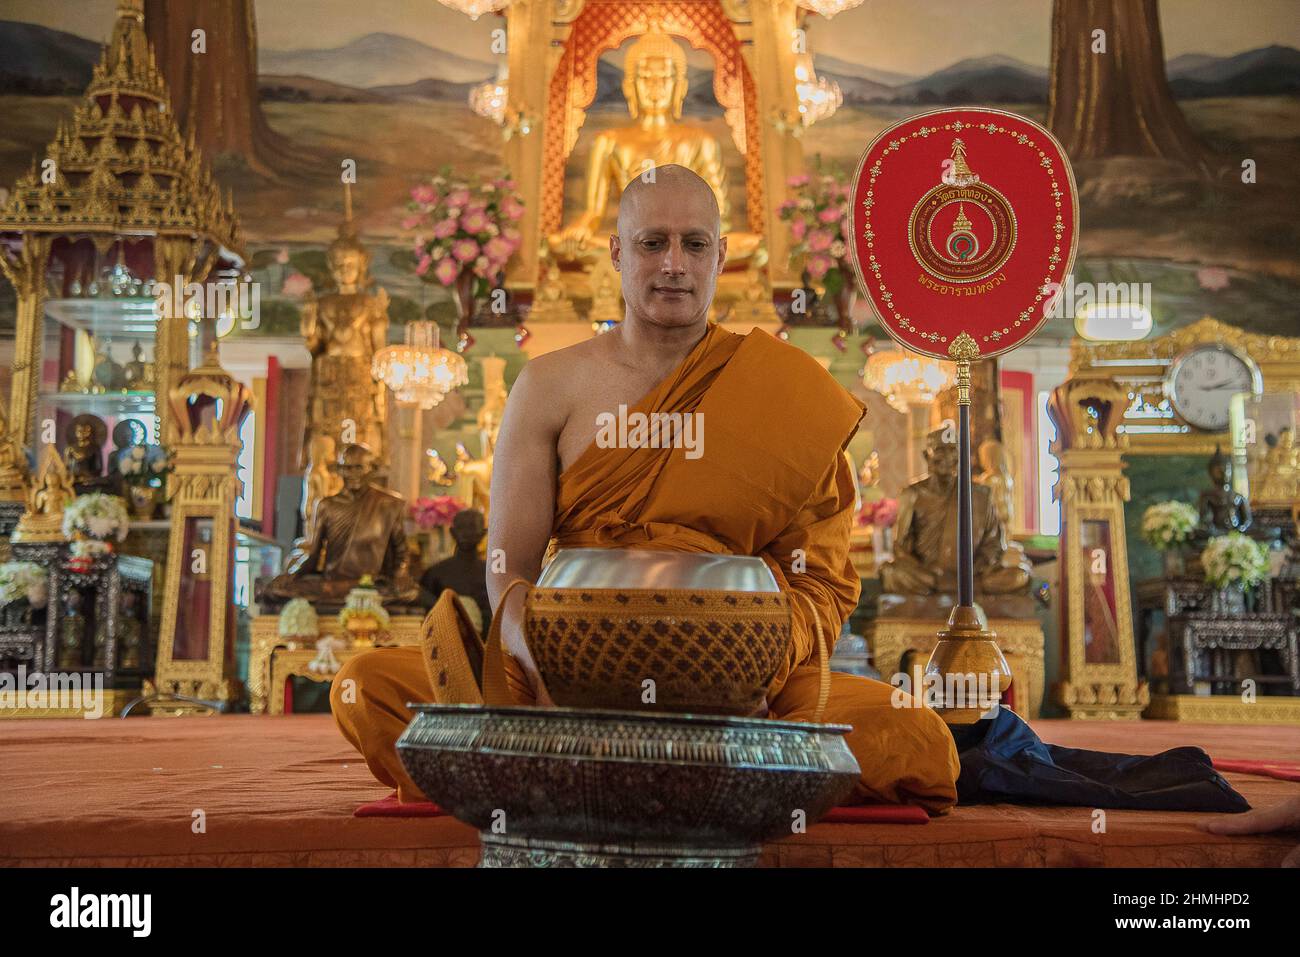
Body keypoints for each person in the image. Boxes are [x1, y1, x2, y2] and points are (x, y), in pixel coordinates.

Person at [331, 164, 959, 811]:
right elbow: (509, 568)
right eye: (652, 242)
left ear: (720, 255)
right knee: (369, 684)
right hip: (567, 660)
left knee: (909, 732)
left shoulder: (785, 393)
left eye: (694, 243)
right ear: (615, 254)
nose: (674, 265)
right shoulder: (549, 384)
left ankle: (565, 771)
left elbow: (820, 583)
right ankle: (720, 777)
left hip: (741, 672)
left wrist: (753, 667)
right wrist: (543, 666)